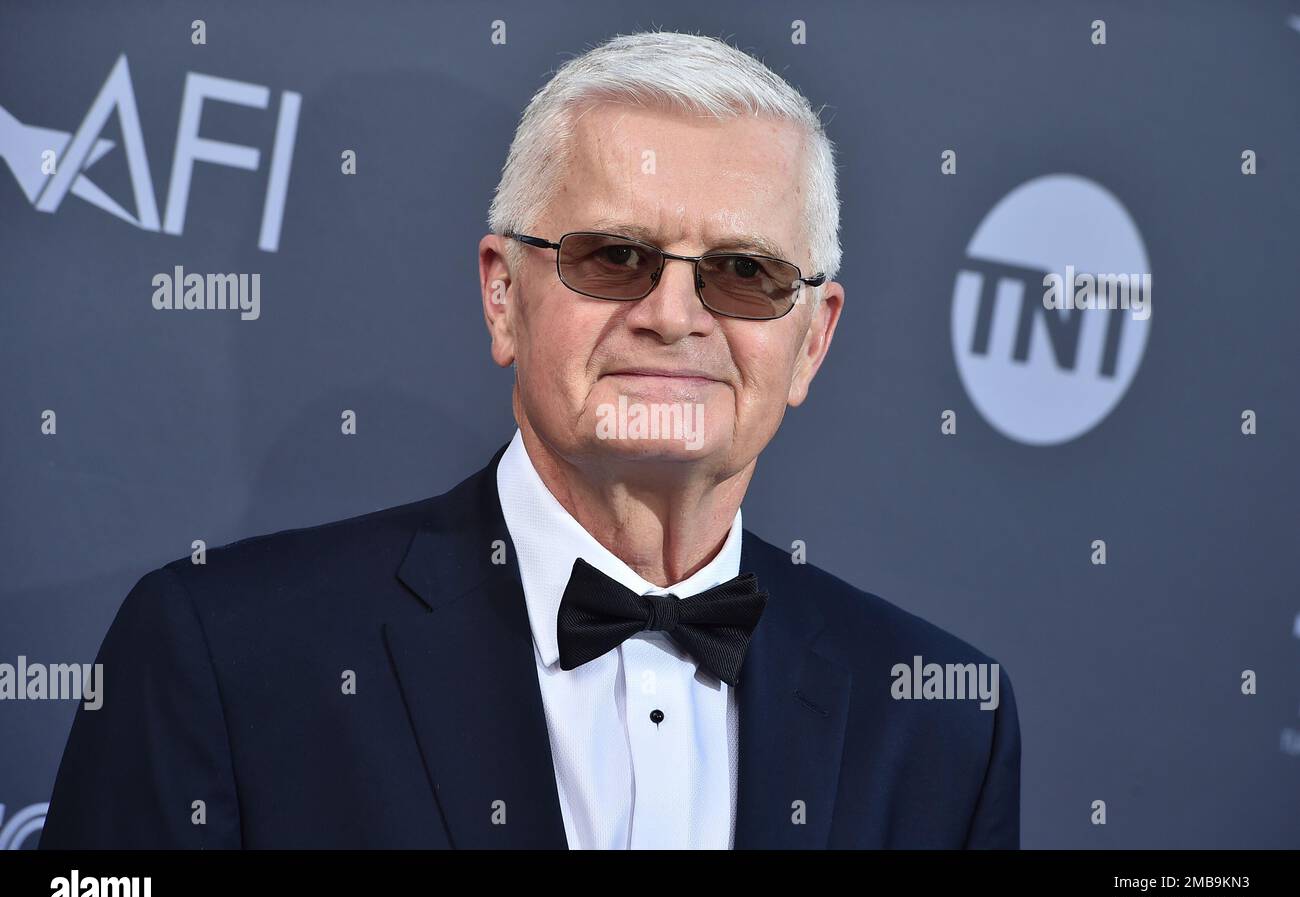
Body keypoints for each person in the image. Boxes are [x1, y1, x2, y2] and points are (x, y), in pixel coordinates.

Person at [41, 30, 1018, 850]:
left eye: (743, 272)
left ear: (812, 339)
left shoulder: (937, 723)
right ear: (502, 294)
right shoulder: (224, 655)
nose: (673, 316)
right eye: (614, 256)